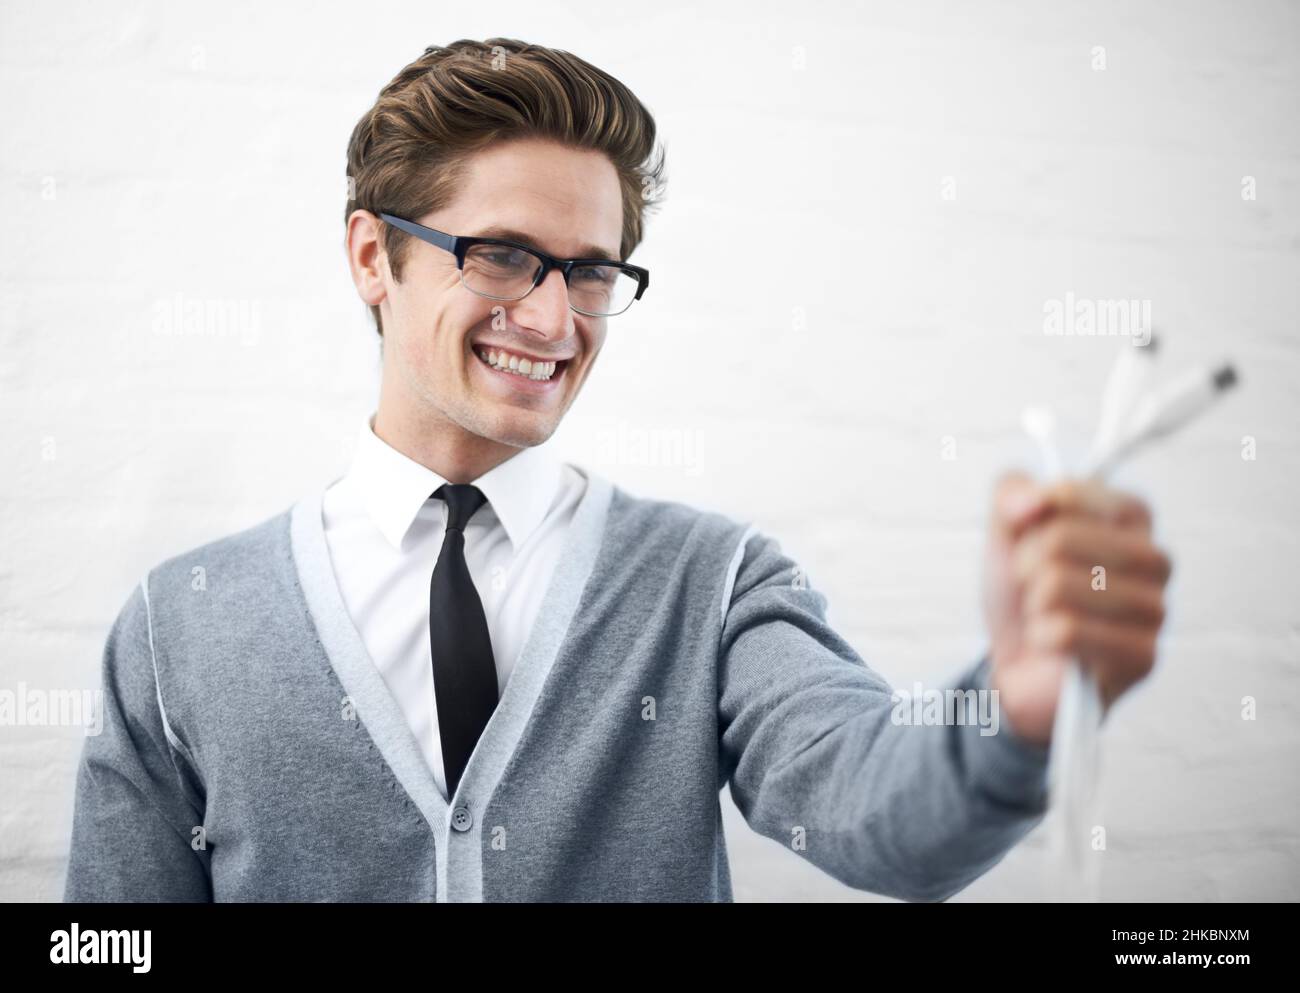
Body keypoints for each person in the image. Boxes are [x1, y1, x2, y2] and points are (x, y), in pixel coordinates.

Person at [63, 38, 1170, 902]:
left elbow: (867, 806)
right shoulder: (182, 628)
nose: (551, 318)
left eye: (590, 273)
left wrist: (1011, 711)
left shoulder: (711, 583)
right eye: (501, 255)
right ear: (372, 256)